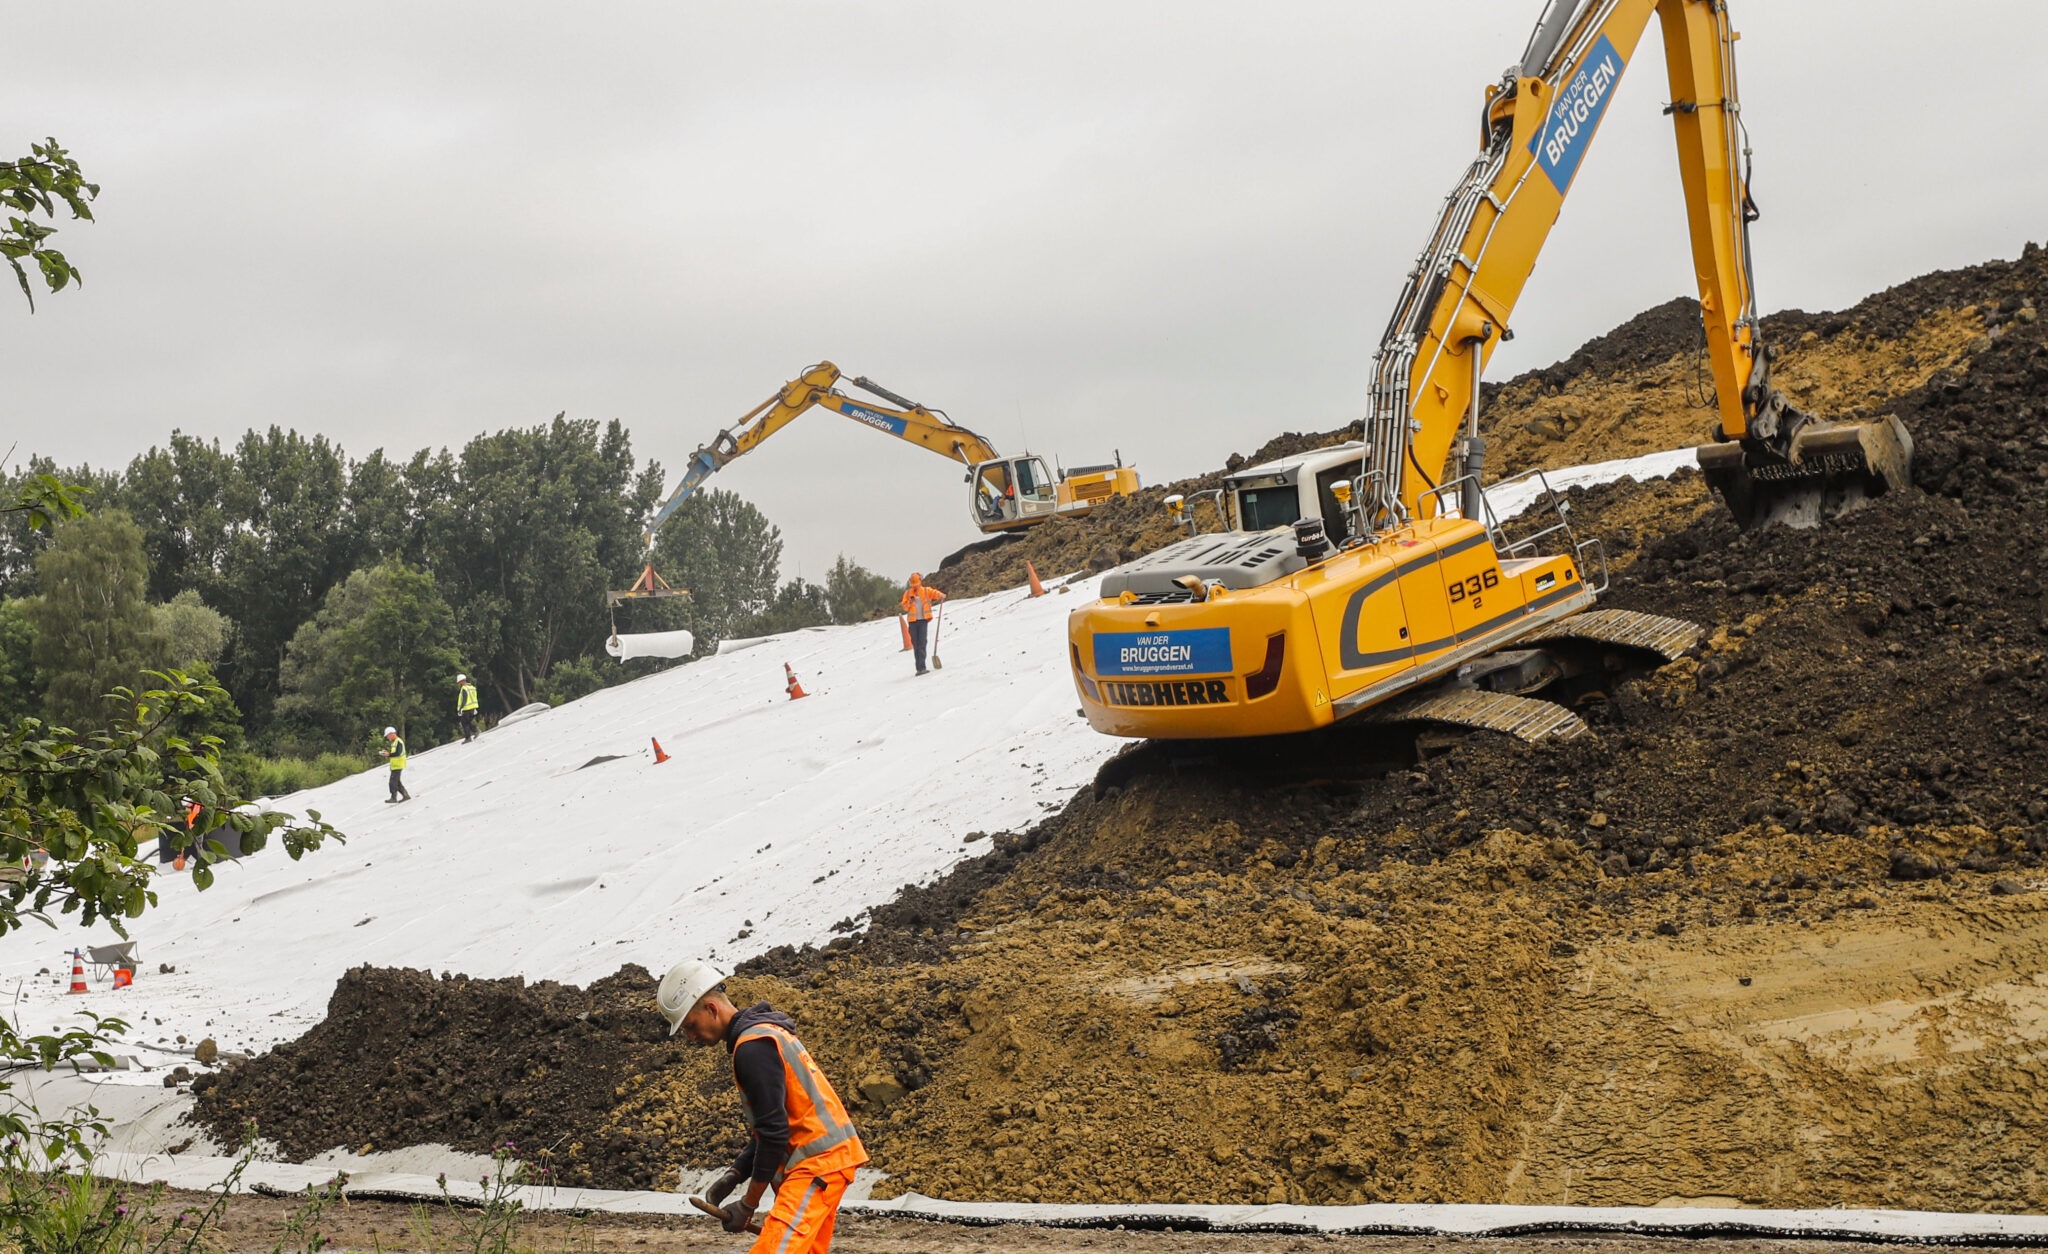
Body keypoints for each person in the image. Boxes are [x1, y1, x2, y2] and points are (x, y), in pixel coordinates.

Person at [660, 958, 867, 1254]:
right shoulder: (763, 1034)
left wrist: (748, 1204)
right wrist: (735, 1174)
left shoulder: (753, 1048)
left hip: (815, 1167)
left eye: (690, 1026)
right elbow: (770, 1126)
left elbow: (774, 1133)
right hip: (827, 1163)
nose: (691, 1037)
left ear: (711, 1008)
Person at [899, 573, 945, 677]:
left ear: (920, 582)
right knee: (916, 644)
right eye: (913, 584)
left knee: (922, 643)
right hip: (912, 622)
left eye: (916, 583)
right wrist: (910, 602)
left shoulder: (925, 591)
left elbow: (934, 593)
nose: (914, 586)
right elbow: (904, 607)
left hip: (923, 620)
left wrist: (941, 595)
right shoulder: (907, 594)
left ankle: (922, 667)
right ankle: (919, 668)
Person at [378, 726, 412, 803]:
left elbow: (397, 753)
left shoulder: (398, 741)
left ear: (391, 734)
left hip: (398, 765)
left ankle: (393, 798)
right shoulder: (394, 742)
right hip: (395, 766)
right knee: (397, 782)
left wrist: (388, 754)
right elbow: (394, 753)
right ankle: (406, 795)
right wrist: (388, 753)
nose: (387, 738)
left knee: (392, 782)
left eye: (387, 736)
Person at [456, 673, 480, 743]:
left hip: (466, 708)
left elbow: (464, 699)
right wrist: (475, 708)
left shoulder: (464, 688)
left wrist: (460, 709)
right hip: (472, 708)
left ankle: (468, 738)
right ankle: (476, 730)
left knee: (464, 723)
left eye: (459, 682)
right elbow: (474, 698)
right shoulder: (472, 687)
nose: (459, 683)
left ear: (462, 681)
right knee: (468, 722)